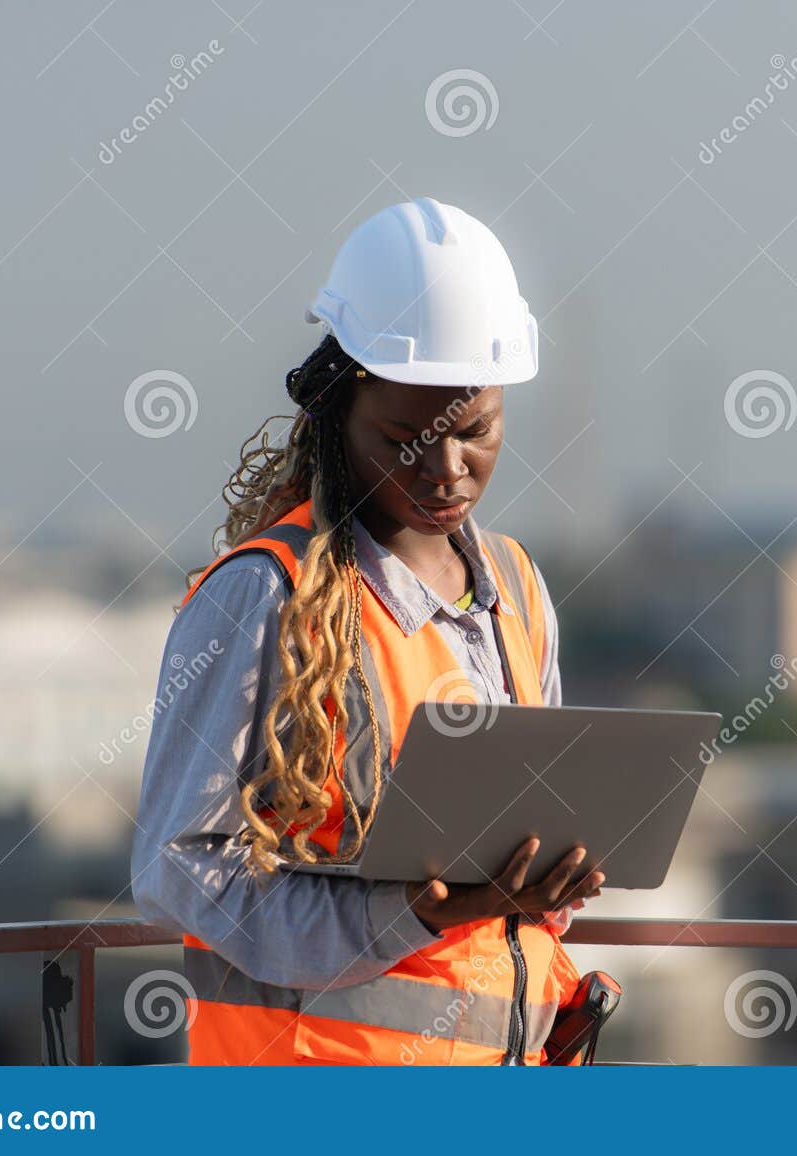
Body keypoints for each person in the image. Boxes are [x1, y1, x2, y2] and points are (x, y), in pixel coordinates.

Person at [130, 197, 603, 1066]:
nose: (446, 469)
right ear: (337, 417)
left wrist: (546, 885)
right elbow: (180, 868)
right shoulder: (261, 597)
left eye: (475, 432)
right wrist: (417, 914)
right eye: (405, 437)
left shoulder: (520, 594)